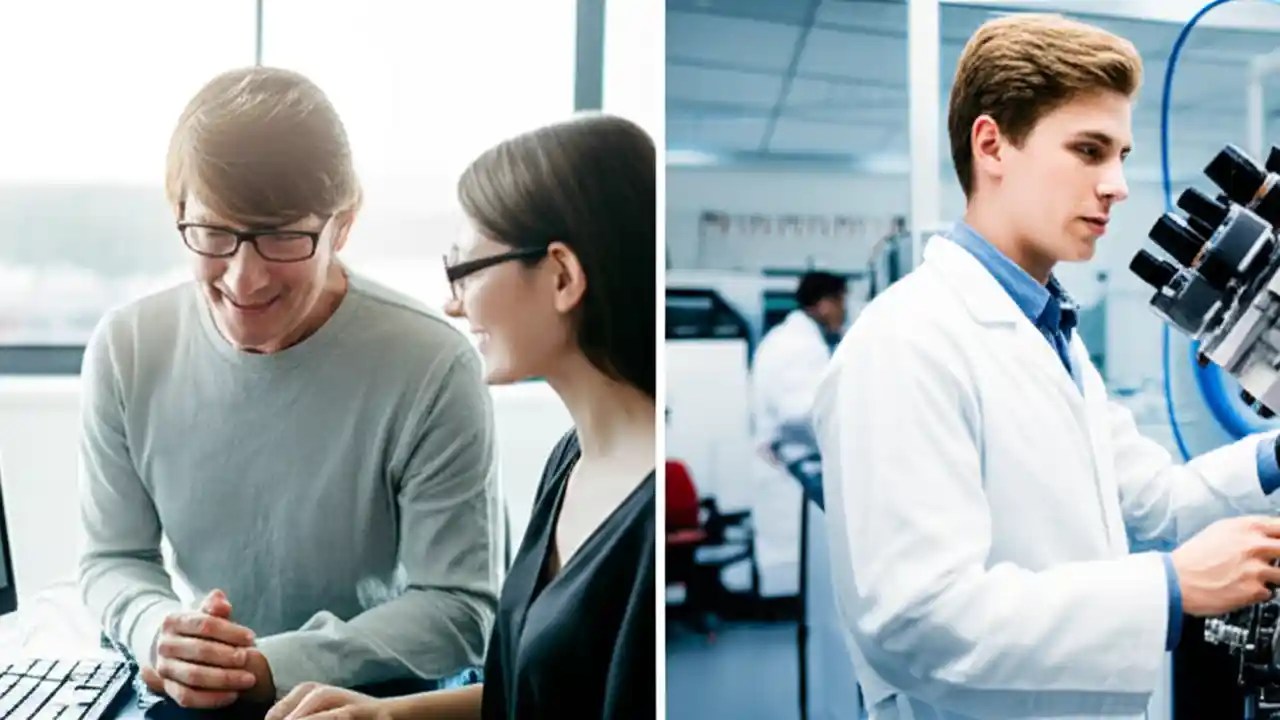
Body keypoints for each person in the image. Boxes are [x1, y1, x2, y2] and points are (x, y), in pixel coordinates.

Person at [812, 13, 1280, 720]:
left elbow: (1156, 502)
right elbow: (914, 621)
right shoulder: (906, 342)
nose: (1118, 184)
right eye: (1089, 151)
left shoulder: (1047, 333)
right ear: (992, 144)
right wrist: (1171, 587)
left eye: (1121, 154)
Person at [75, 66, 501, 709]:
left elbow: (460, 607)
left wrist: (274, 663)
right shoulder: (126, 348)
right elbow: (112, 558)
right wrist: (155, 630)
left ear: (343, 225)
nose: (245, 281)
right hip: (196, 687)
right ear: (179, 213)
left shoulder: (433, 366)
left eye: (281, 236)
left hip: (380, 695)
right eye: (214, 233)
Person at [263, 113, 657, 720]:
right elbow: (536, 693)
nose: (452, 302)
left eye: (466, 270)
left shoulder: (645, 523)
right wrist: (387, 714)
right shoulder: (572, 457)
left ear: (561, 276)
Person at [747, 271, 846, 597]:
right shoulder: (798, 346)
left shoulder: (796, 340)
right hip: (796, 461)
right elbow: (801, 412)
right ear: (824, 304)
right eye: (841, 302)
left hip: (793, 457)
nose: (844, 311)